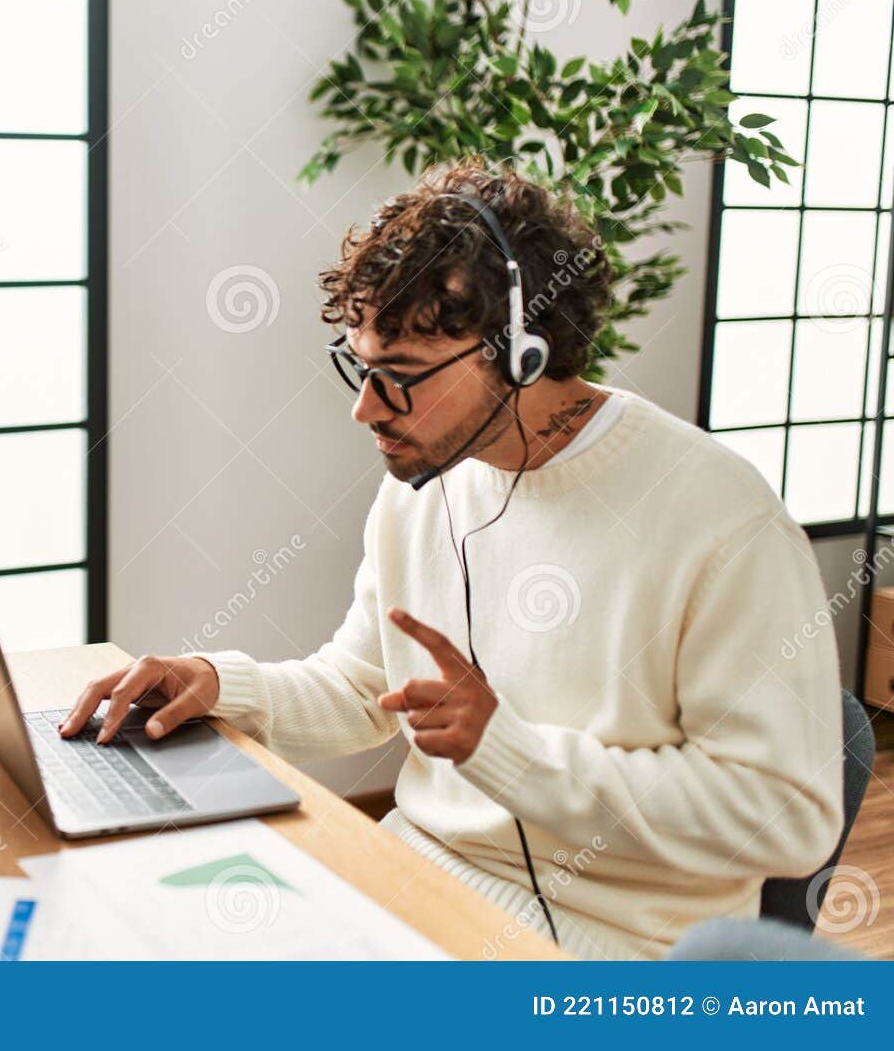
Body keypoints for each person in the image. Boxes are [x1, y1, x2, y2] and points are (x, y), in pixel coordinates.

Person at [60, 160, 844, 960]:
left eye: (400, 377)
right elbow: (369, 689)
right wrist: (221, 685)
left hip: (611, 948)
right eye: (362, 367)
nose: (366, 408)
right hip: (408, 882)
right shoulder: (424, 482)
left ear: (522, 354)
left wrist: (508, 749)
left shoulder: (720, 519)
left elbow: (789, 815)